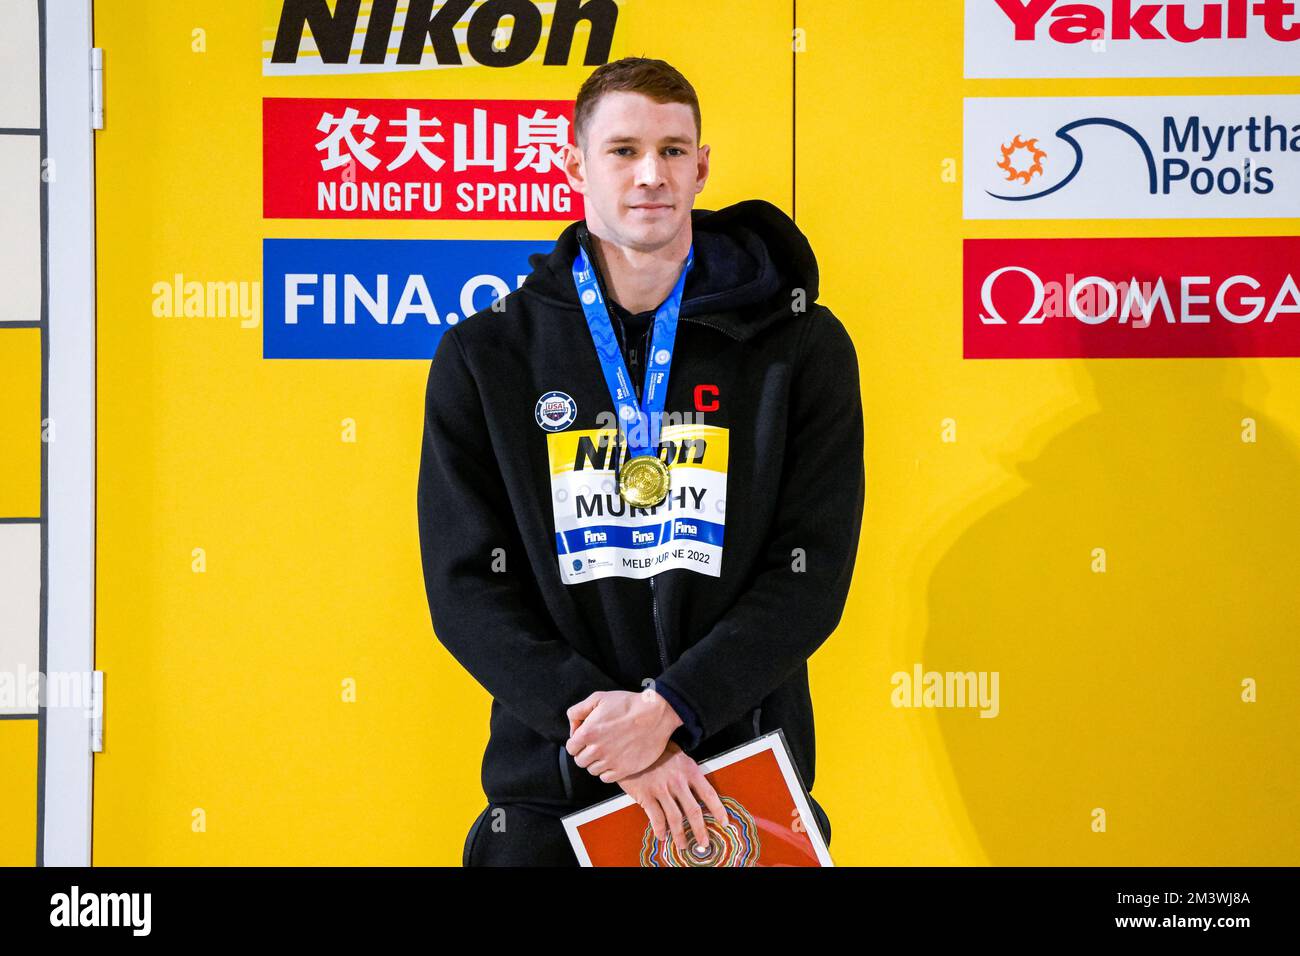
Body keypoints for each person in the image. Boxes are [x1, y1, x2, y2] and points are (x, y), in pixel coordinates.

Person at [417, 56, 865, 867]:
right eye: (622, 150)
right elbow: (467, 591)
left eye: (672, 149)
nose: (650, 174)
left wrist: (674, 709)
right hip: (554, 788)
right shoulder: (487, 357)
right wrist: (619, 739)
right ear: (575, 165)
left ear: (702, 167)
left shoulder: (800, 346)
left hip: (738, 781)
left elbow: (810, 573)